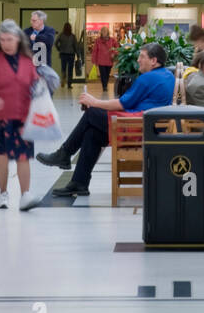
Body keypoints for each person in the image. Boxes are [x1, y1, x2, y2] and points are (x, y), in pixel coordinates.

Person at [37, 42, 174, 197]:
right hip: (148, 126)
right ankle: (79, 182)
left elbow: (122, 104)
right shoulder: (167, 75)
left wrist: (94, 102)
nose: (138, 60)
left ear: (153, 61)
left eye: (142, 56)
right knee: (92, 133)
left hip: (136, 127)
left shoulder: (148, 78)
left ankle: (64, 153)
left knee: (92, 113)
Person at [0, 20, 38, 210]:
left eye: (9, 39)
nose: (6, 43)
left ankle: (25, 195)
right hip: (0, 117)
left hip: (22, 117)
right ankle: (3, 193)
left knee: (23, 157)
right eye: (2, 40)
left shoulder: (27, 62)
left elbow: (34, 84)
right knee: (2, 155)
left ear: (18, 39)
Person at [92, 25, 117, 93]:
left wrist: (114, 53)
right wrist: (94, 60)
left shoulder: (112, 40)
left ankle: (105, 84)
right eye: (103, 32)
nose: (104, 34)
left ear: (108, 32)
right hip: (101, 60)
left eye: (105, 32)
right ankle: (104, 86)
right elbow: (95, 50)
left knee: (107, 74)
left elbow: (116, 48)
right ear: (101, 33)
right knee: (103, 74)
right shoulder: (98, 40)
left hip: (109, 60)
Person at [56, 22, 79, 89]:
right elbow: (76, 46)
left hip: (63, 54)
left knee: (63, 68)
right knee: (70, 70)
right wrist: (78, 54)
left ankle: (63, 79)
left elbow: (56, 43)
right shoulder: (73, 36)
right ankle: (69, 84)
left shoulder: (61, 35)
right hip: (71, 54)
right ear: (70, 28)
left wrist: (59, 49)